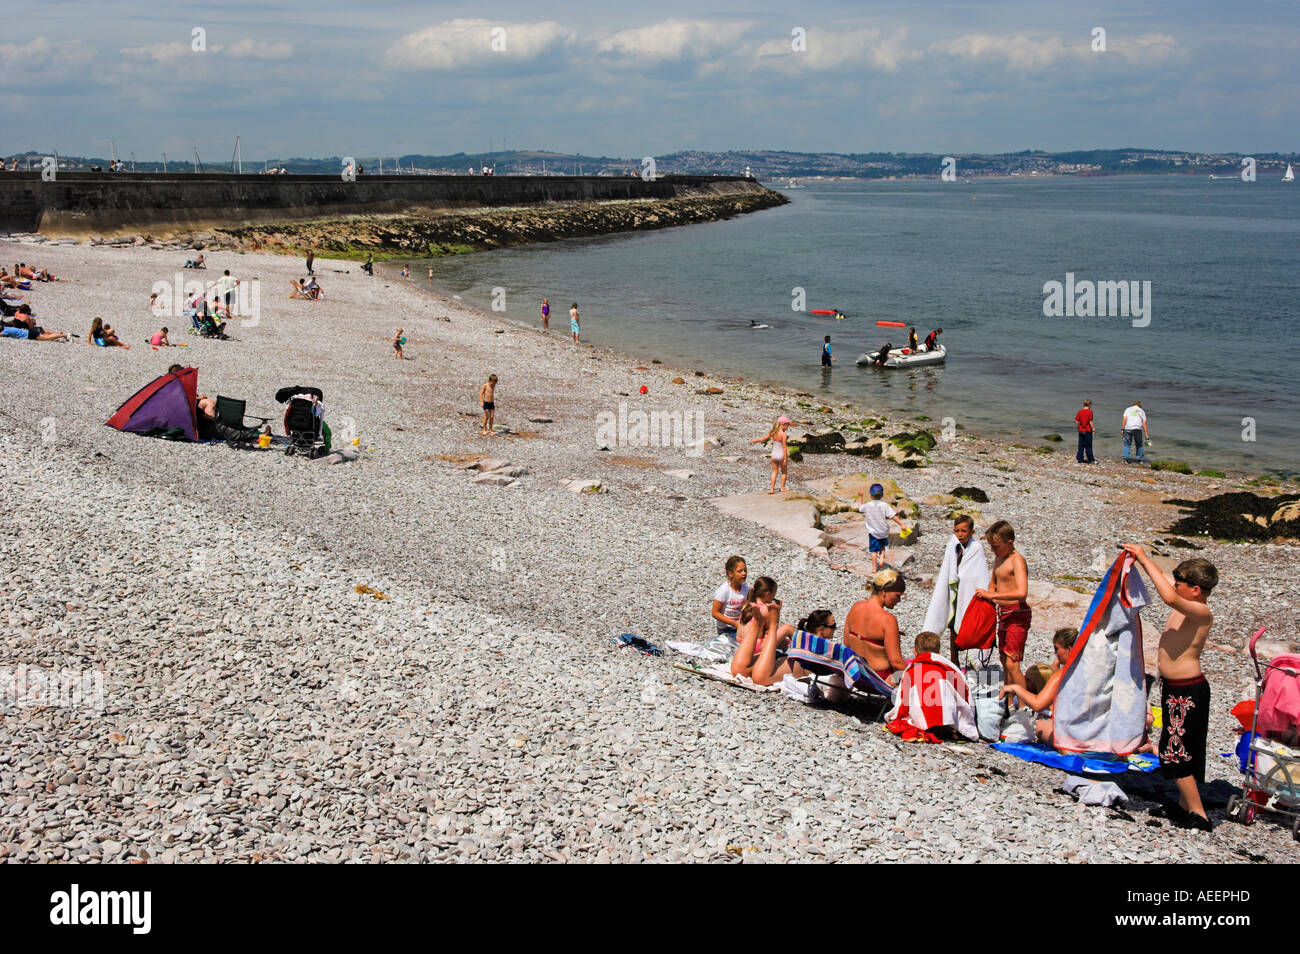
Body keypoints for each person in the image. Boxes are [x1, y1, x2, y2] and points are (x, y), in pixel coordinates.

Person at [1122, 545, 1218, 831]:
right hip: (1175, 688)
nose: (1174, 584)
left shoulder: (1200, 612)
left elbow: (1168, 596)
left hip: (1187, 690)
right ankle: (1183, 804)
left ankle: (1198, 813)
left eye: (1180, 581)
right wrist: (1137, 559)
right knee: (1173, 746)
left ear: (1196, 590)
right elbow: (1167, 584)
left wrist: (1143, 557)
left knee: (1177, 751)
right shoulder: (1186, 602)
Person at [922, 514, 991, 661]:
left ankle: (971, 659)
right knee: (953, 626)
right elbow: (948, 568)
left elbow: (979, 573)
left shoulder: (976, 548)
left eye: (964, 531)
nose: (960, 534)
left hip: (968, 593)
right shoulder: (952, 546)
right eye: (957, 530)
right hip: (954, 592)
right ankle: (955, 659)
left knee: (968, 625)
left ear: (972, 532)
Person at [975, 520, 1030, 692]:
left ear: (1010, 542)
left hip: (1017, 613)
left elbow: (1022, 592)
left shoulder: (1017, 560)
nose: (993, 550)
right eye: (991, 546)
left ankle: (1023, 703)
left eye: (996, 546)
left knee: (1013, 661)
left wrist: (992, 595)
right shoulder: (999, 557)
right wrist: (989, 594)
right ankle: (1009, 698)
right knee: (1004, 659)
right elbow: (994, 582)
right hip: (1003, 612)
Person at [999, 627, 1078, 744]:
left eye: (1056, 649)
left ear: (1070, 649)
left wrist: (1016, 688)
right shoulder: (1093, 671)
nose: (1055, 653)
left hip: (1073, 744)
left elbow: (1037, 704)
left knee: (1038, 725)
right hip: (1100, 742)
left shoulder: (1062, 675)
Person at [843, 568, 908, 684]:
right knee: (917, 668)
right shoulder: (888, 620)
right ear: (884, 592)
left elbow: (847, 643)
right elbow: (896, 663)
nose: (899, 600)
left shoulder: (855, 607)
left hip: (856, 675)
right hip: (879, 680)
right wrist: (917, 676)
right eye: (897, 595)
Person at [856, 483, 907, 573]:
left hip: (873, 532)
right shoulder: (884, 505)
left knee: (874, 551)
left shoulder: (867, 505)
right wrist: (902, 524)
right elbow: (893, 516)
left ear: (870, 495)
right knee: (883, 546)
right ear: (882, 495)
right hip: (883, 531)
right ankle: (881, 560)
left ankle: (874, 568)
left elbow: (860, 508)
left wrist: (860, 496)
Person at [710, 555, 750, 644]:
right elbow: (715, 613)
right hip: (726, 628)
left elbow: (747, 607)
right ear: (730, 574)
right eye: (740, 571)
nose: (744, 573)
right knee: (746, 642)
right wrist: (734, 623)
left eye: (745, 570)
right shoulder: (724, 590)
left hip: (739, 625)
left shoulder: (745, 589)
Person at [751, 415, 790, 494]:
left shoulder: (773, 432)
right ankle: (782, 488)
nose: (787, 427)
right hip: (781, 455)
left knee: (774, 472)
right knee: (784, 472)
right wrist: (785, 459)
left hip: (774, 454)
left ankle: (772, 489)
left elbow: (762, 439)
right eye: (787, 425)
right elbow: (784, 447)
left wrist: (754, 441)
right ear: (783, 424)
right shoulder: (784, 434)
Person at [1075, 398, 1096, 464]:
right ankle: (1091, 459)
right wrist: (1093, 429)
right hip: (1087, 430)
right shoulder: (1090, 412)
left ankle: (1080, 459)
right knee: (1088, 446)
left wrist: (1078, 426)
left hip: (1081, 430)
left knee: (1081, 445)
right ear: (1089, 405)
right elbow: (1090, 421)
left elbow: (1076, 420)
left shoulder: (1080, 411)